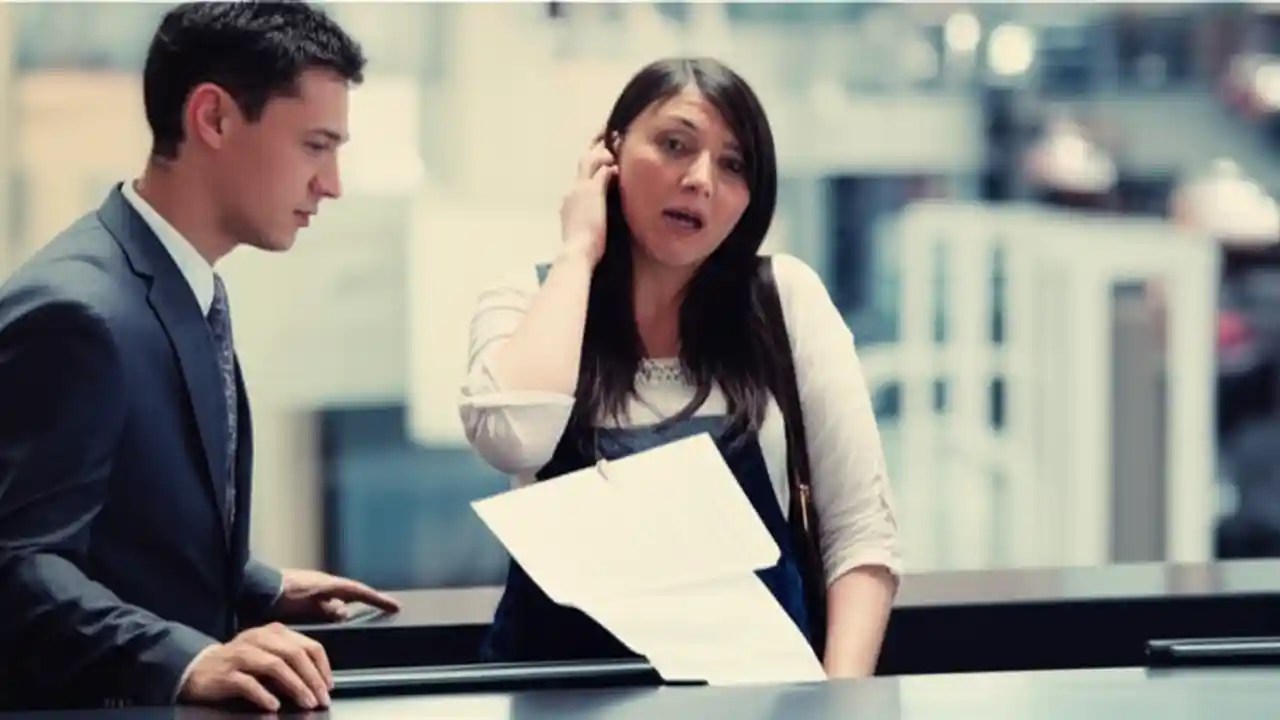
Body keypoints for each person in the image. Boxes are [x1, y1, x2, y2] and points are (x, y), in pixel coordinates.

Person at [0, 2, 399, 712]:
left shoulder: (176, 280)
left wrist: (255, 585)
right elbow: (19, 564)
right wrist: (190, 660)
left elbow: (119, 529)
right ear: (212, 118)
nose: (332, 183)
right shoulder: (77, 310)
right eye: (315, 145)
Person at [458, 57, 900, 679]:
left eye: (733, 164)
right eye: (674, 145)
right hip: (558, 698)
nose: (700, 179)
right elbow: (511, 440)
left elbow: (860, 534)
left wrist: (836, 702)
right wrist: (579, 253)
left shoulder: (784, 301)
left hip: (755, 700)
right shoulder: (536, 299)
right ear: (608, 155)